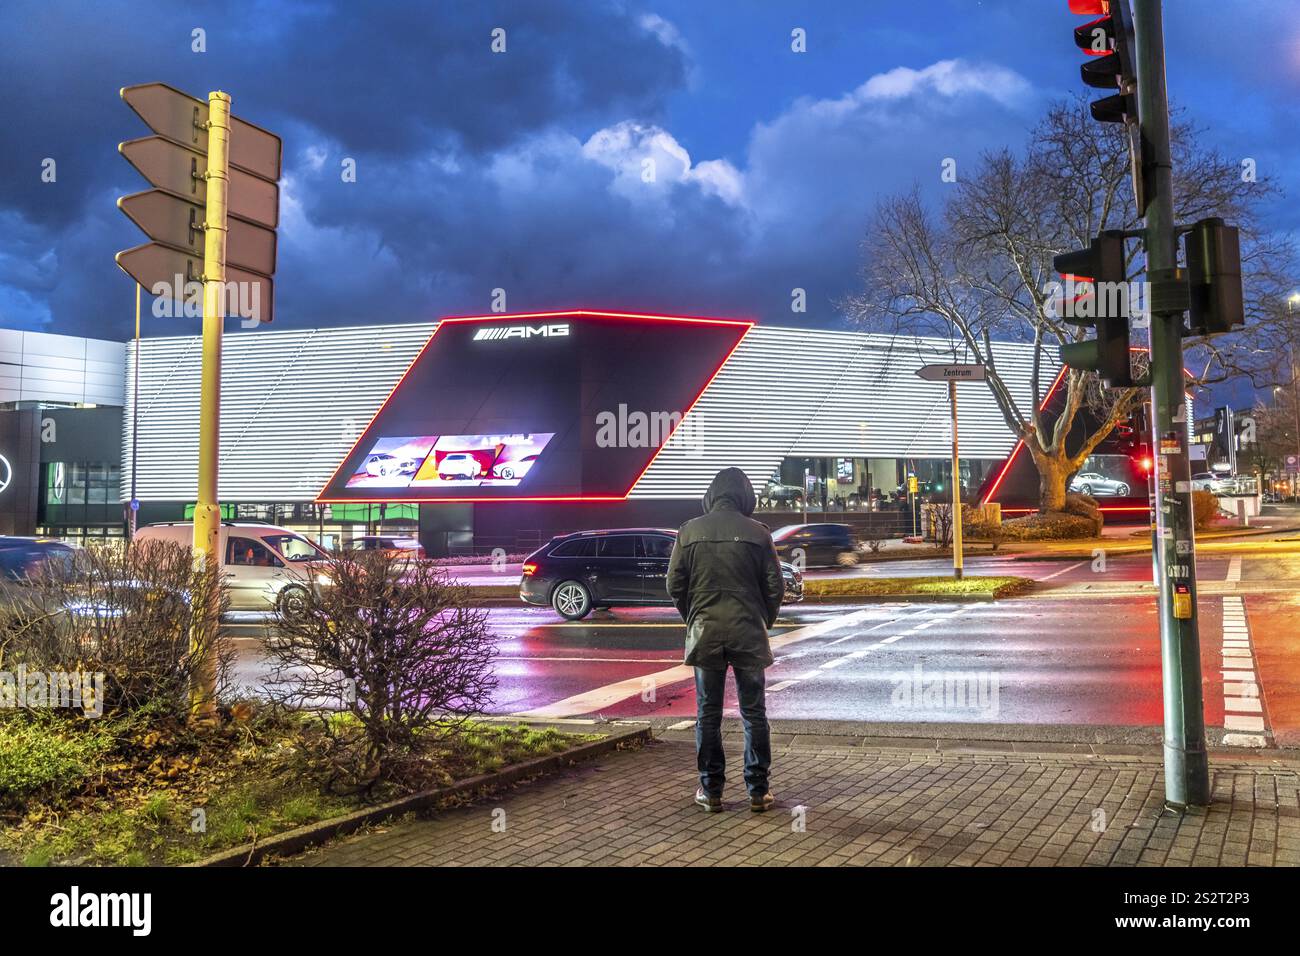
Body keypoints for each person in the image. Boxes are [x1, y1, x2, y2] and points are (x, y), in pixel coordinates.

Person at [666, 467, 784, 814]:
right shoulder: (759, 534)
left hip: (706, 634)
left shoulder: (688, 532)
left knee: (707, 715)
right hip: (748, 631)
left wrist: (694, 617)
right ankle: (758, 790)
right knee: (754, 713)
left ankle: (711, 789)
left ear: (711, 495)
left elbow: (674, 585)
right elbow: (775, 586)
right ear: (745, 497)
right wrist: (762, 619)